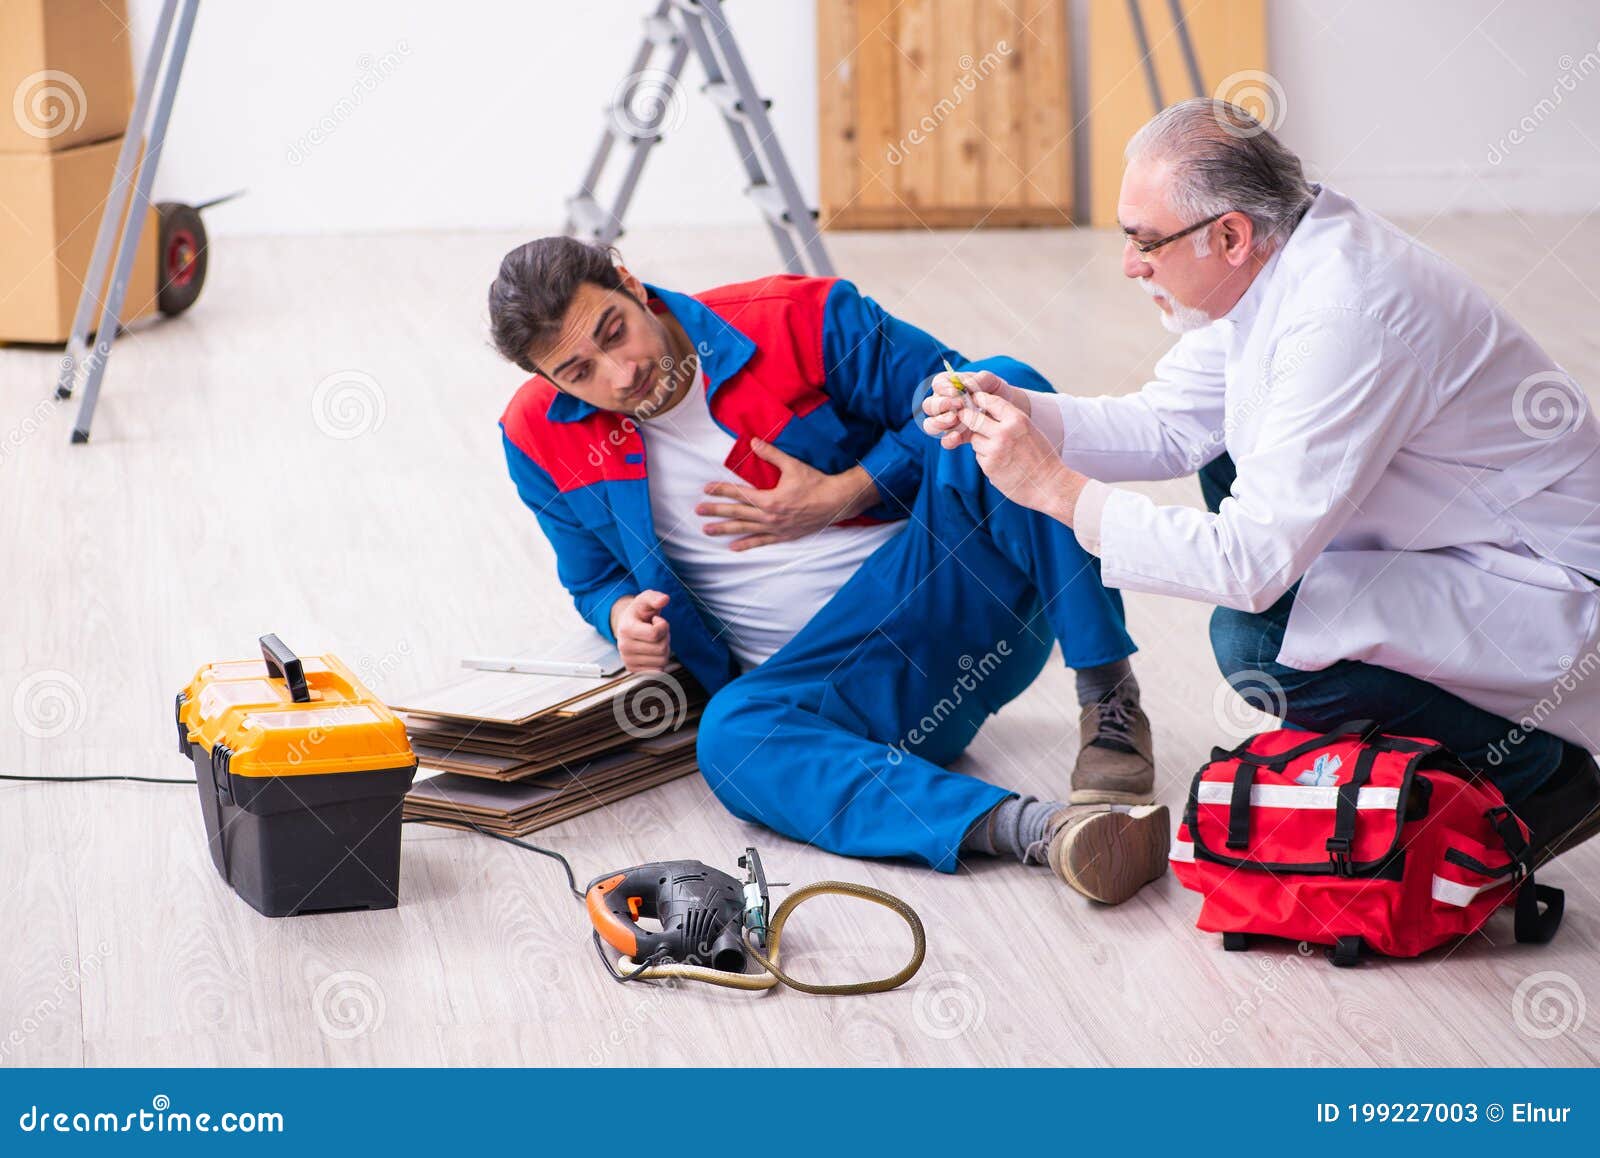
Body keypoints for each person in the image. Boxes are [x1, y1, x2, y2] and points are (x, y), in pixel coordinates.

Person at [922, 98, 1600, 864]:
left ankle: (1544, 775)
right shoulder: (1275, 265)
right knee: (1226, 446)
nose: (1129, 265)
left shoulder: (1346, 315)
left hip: (1548, 585)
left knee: (1257, 642)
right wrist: (1028, 412)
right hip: (1449, 543)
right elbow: (1171, 424)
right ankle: (1372, 706)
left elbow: (1248, 567)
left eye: (1144, 241)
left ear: (1230, 235)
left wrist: (1054, 488)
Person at [486, 237, 1167, 902]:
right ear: (546, 381)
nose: (620, 374)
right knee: (730, 740)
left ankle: (1107, 697)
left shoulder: (796, 318)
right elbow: (594, 579)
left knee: (994, 391)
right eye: (579, 373)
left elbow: (953, 391)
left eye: (615, 332)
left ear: (631, 284)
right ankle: (1052, 833)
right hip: (837, 690)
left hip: (958, 595)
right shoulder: (534, 437)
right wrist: (618, 614)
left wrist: (847, 491)